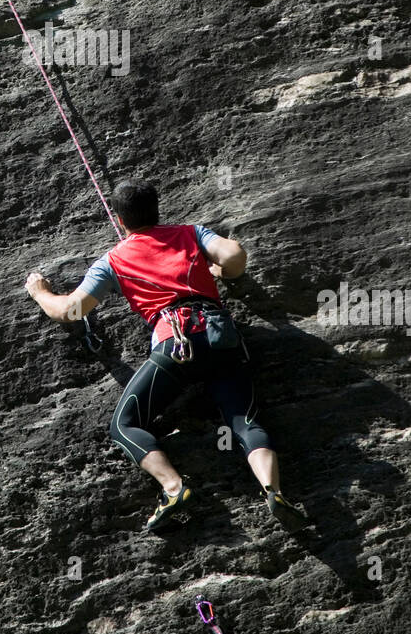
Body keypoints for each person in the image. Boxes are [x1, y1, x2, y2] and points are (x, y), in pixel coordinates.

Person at [24, 178, 308, 535]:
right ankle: (273, 489)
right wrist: (222, 272)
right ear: (158, 208)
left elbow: (70, 310)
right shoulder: (191, 233)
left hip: (176, 346)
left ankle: (174, 488)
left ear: (119, 219)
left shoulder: (113, 260)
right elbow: (234, 255)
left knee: (125, 425)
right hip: (223, 340)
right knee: (244, 422)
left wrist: (40, 293)